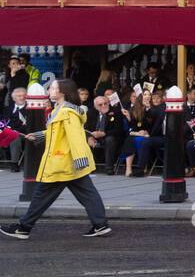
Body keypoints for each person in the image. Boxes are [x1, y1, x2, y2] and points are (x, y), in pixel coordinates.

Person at [1, 79, 112, 239]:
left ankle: (23, 228)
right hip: (69, 163)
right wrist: (39, 135)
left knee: (41, 196)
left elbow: (75, 136)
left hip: (62, 162)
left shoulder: (66, 112)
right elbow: (59, 132)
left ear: (63, 92)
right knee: (88, 194)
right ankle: (100, 224)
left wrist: (80, 159)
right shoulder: (61, 110)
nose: (50, 90)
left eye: (53, 88)